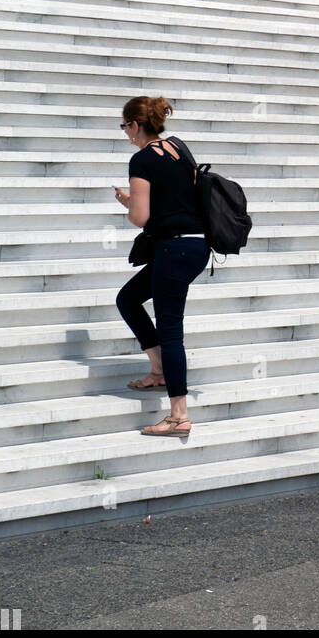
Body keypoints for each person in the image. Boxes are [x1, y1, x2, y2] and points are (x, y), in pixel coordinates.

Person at [114, 95, 208, 436]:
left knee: (170, 331)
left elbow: (140, 218)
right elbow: (181, 196)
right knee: (128, 299)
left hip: (173, 250)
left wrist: (129, 205)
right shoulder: (179, 149)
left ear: (136, 125)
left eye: (125, 126)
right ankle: (158, 370)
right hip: (196, 245)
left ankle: (178, 415)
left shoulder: (141, 160)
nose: (125, 133)